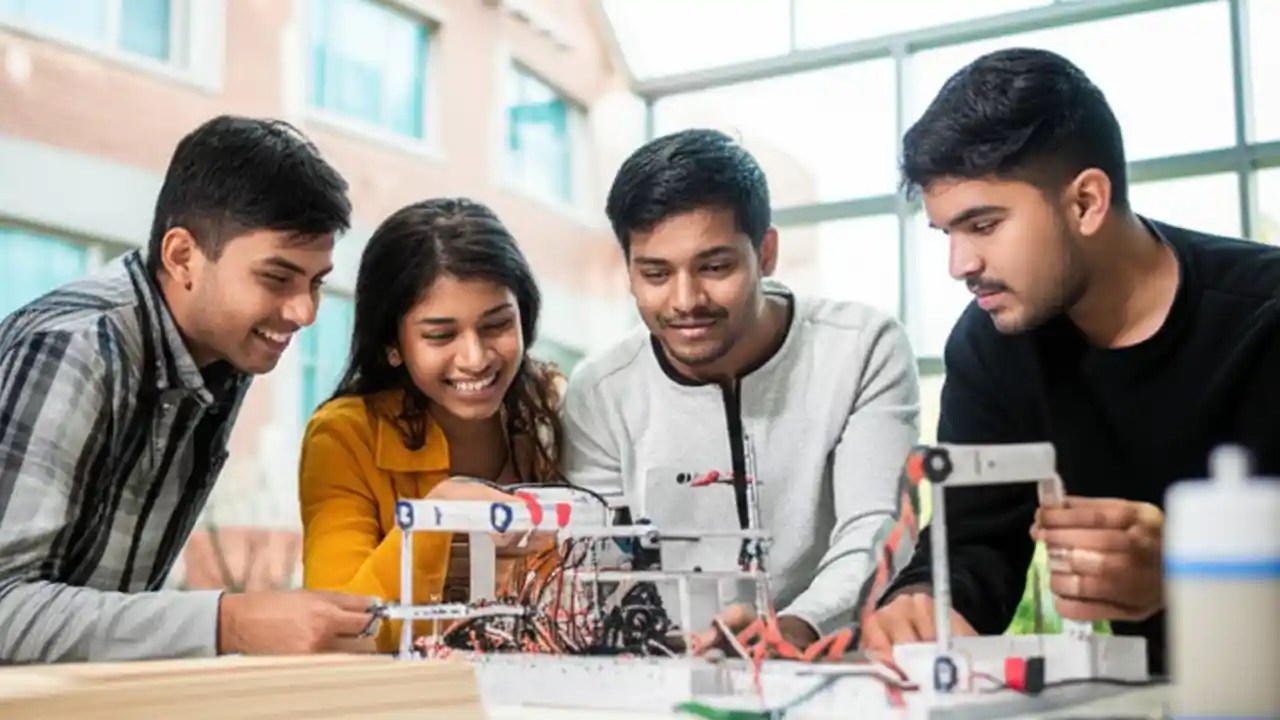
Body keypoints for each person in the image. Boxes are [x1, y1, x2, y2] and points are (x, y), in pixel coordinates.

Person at [863, 48, 1280, 676]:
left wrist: (1193, 570)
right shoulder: (990, 343)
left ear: (1086, 201)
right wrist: (922, 602)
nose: (959, 265)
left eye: (983, 224)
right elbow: (972, 544)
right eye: (947, 232)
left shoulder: (1265, 318)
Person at [0, 115, 380, 663]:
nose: (304, 311)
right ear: (182, 257)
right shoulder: (78, 348)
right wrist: (231, 623)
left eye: (315, 282)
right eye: (277, 278)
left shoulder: (222, 354)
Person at [561, 129, 922, 652]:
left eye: (714, 267)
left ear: (766, 252)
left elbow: (879, 526)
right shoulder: (600, 391)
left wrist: (799, 626)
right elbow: (601, 567)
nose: (685, 300)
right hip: (671, 675)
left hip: (839, 666)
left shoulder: (862, 348)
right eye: (656, 273)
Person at [298, 198, 565, 653]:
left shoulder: (550, 409)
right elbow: (338, 630)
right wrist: (434, 516)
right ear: (392, 345)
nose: (475, 358)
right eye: (440, 335)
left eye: (497, 325)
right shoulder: (344, 436)